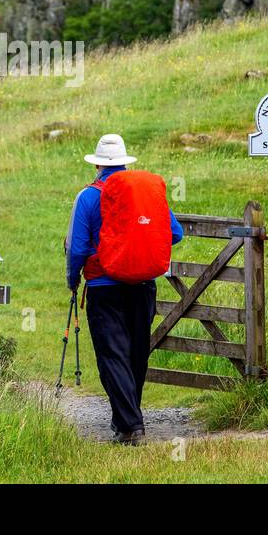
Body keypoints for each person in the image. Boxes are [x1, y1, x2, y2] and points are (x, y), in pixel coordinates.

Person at [65, 133, 183, 445]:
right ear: (124, 162)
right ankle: (126, 422)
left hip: (105, 287)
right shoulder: (145, 195)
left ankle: (132, 427)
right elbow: (175, 233)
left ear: (98, 165)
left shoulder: (88, 197)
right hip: (144, 285)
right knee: (135, 355)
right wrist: (140, 246)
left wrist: (72, 277)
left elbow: (77, 247)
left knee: (112, 356)